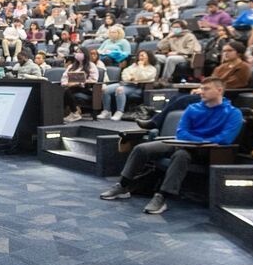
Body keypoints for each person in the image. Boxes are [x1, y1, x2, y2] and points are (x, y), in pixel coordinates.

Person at [100, 78, 242, 214]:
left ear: (219, 90)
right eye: (201, 88)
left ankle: (162, 197)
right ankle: (123, 185)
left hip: (206, 151)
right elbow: (181, 132)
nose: (201, 91)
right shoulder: (193, 108)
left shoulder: (233, 113)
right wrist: (197, 139)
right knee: (142, 148)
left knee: (181, 155)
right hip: (181, 142)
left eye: (206, 89)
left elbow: (225, 139)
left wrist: (199, 142)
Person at [136, 42, 251, 131]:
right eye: (224, 51)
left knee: (183, 100)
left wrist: (204, 90)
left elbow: (234, 84)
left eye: (229, 51)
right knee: (176, 97)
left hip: (223, 97)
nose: (225, 53)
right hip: (208, 93)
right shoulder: (221, 67)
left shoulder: (243, 67)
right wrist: (201, 88)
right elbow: (209, 81)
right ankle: (159, 124)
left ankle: (154, 123)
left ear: (239, 53)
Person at [98, 50, 157, 121]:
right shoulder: (134, 65)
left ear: (149, 57)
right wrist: (130, 78)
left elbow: (142, 77)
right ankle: (106, 111)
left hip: (138, 88)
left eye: (143, 55)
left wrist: (140, 67)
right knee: (106, 89)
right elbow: (125, 73)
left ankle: (119, 112)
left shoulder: (152, 68)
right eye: (139, 55)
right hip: (127, 84)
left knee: (120, 89)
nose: (140, 57)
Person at [61, 50, 99, 122]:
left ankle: (75, 113)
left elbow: (94, 79)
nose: (78, 54)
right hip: (71, 87)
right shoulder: (72, 66)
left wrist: (79, 83)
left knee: (66, 90)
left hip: (85, 88)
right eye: (77, 52)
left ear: (85, 54)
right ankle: (68, 113)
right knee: (62, 90)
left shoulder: (91, 65)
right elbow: (64, 77)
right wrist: (66, 83)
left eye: (80, 52)